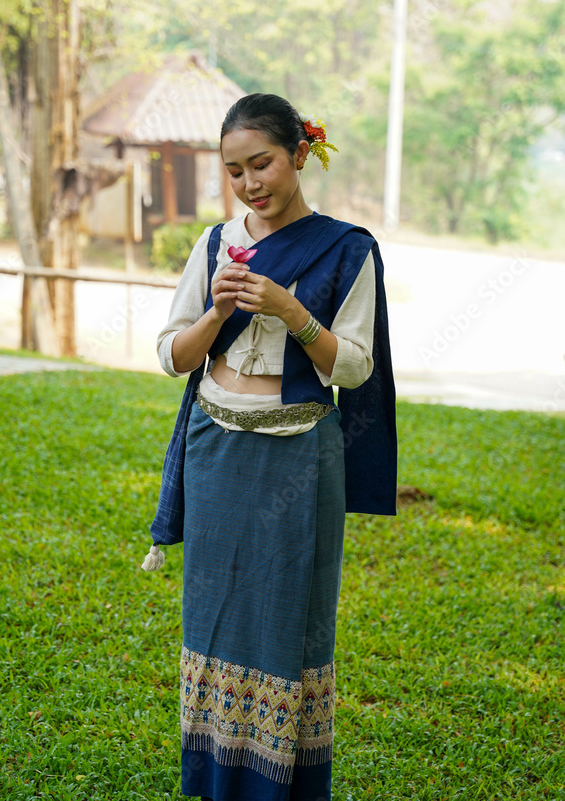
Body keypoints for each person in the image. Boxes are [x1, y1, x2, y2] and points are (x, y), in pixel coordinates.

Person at [142, 93, 398, 801]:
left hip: (297, 456)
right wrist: (220, 309)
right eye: (235, 171)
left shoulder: (346, 249)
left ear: (299, 154)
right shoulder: (214, 245)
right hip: (214, 446)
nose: (251, 182)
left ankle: (279, 785)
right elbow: (172, 355)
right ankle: (218, 778)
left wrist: (291, 312)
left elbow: (351, 368)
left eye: (262, 163)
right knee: (215, 614)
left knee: (288, 620)